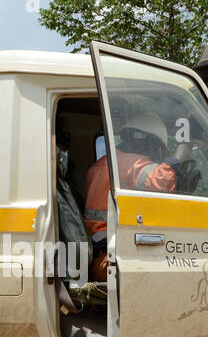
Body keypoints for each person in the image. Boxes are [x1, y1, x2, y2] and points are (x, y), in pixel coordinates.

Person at [81, 112, 190, 280]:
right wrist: (180, 154)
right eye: (157, 148)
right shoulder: (131, 164)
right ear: (149, 143)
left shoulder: (98, 166)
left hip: (97, 256)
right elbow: (161, 182)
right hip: (109, 259)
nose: (156, 155)